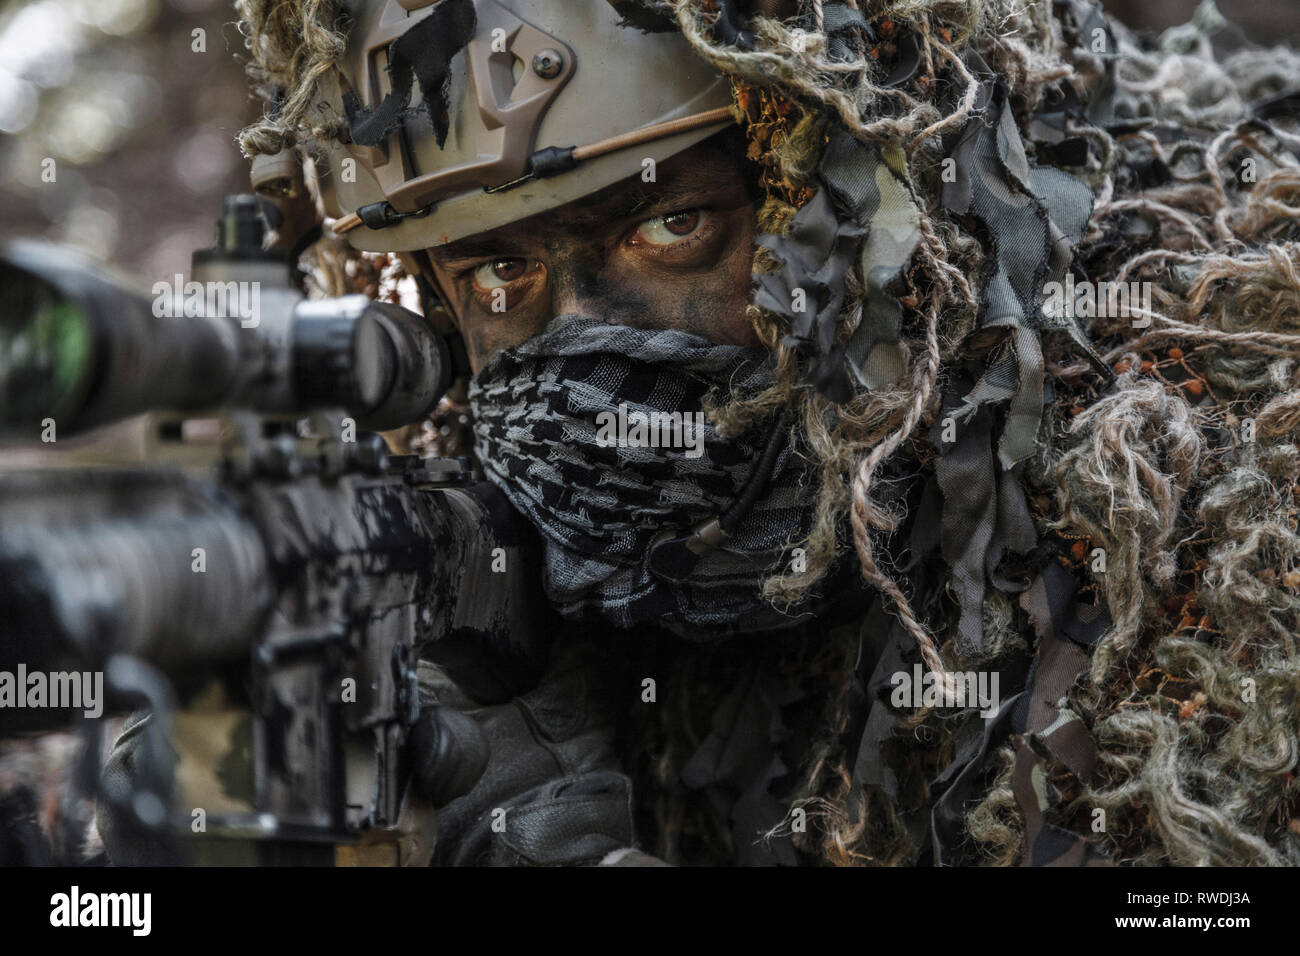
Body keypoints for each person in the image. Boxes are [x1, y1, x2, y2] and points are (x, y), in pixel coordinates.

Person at [102, 0, 1300, 866]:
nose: (584, 343)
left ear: (862, 200)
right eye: (498, 270)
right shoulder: (458, 531)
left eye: (674, 226)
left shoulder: (1199, 496)